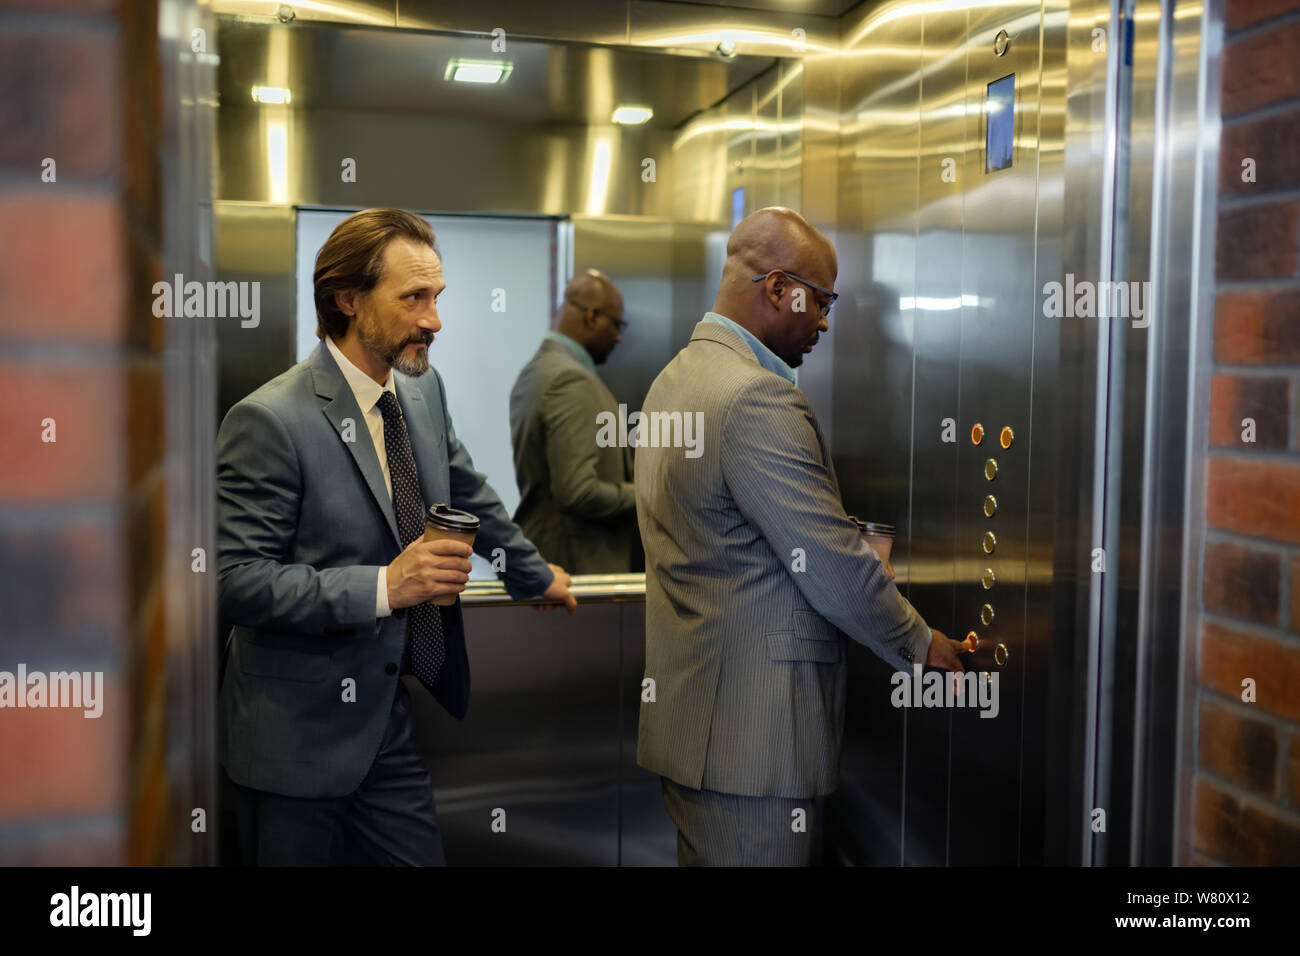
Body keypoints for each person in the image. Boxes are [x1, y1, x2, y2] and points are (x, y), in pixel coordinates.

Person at [216, 207, 576, 866]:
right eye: (413, 298)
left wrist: (534, 574)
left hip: (388, 727)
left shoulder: (420, 391)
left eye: (437, 297)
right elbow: (234, 581)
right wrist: (389, 585)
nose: (434, 320)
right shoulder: (270, 420)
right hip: (293, 746)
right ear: (347, 299)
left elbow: (465, 494)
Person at [634, 206, 967, 866]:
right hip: (751, 750)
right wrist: (923, 646)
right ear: (778, 286)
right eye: (819, 301)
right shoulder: (756, 400)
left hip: (698, 731)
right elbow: (834, 566)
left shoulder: (673, 382)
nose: (823, 322)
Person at [508, 269, 640, 573]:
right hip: (577, 566)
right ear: (592, 316)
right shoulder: (570, 379)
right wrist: (647, 494)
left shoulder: (538, 370)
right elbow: (578, 492)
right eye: (616, 324)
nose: (618, 336)